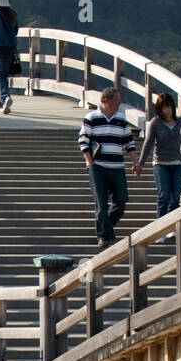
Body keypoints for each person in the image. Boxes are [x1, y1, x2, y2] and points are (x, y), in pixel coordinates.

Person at [79, 87, 140, 249]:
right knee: (101, 202)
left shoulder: (121, 119)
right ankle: (103, 236)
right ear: (105, 101)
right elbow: (83, 141)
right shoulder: (91, 117)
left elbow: (129, 143)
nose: (118, 104)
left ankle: (107, 227)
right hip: (97, 166)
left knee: (121, 199)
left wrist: (136, 162)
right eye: (115, 101)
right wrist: (91, 163)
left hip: (117, 166)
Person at [141, 93, 181, 240]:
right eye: (163, 108)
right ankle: (160, 230)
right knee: (163, 195)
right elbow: (148, 144)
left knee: (175, 198)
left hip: (179, 164)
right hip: (161, 163)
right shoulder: (155, 123)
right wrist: (141, 163)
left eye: (168, 107)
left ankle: (172, 228)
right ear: (159, 109)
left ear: (173, 107)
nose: (166, 111)